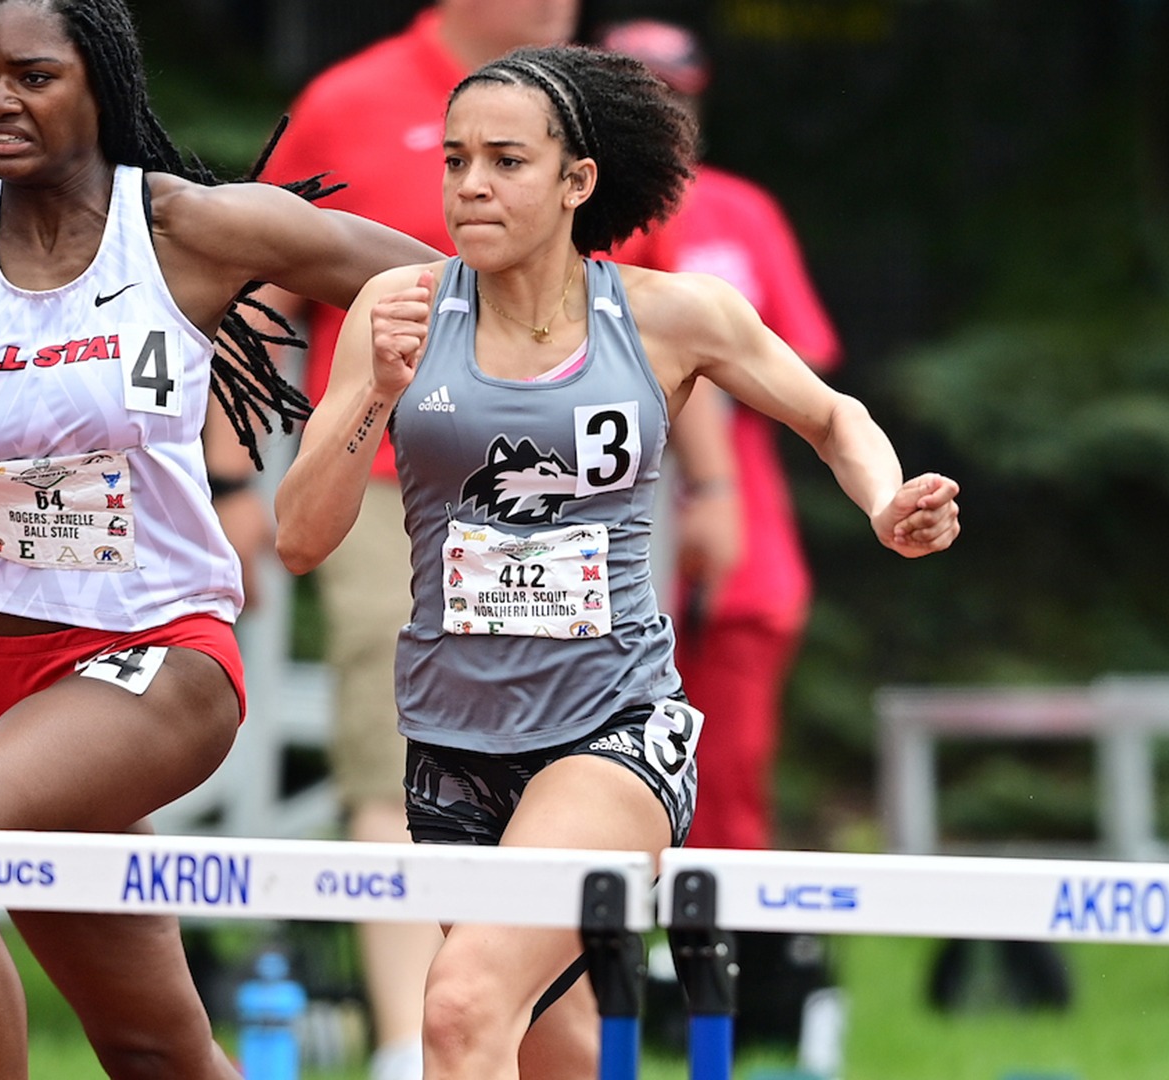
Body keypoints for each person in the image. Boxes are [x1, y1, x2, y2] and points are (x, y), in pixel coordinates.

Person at [274, 43, 960, 1079]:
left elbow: (832, 414)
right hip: (454, 750)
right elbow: (300, 537)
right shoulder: (399, 308)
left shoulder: (668, 316)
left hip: (613, 732)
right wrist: (376, 389)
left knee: (457, 1012)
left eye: (505, 160)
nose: (469, 184)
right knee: (552, 1048)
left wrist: (886, 498)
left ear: (576, 182)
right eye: (455, 159)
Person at [0, 1, 436, 1077]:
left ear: (102, 86)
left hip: (157, 656)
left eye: (32, 76)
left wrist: (386, 397)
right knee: (154, 1049)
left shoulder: (184, 226)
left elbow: (437, 287)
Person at [253, 7, 584, 1077]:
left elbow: (665, 303)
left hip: (563, 487)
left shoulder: (594, 100)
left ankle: (526, 1036)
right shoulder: (351, 98)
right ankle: (408, 1044)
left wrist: (710, 480)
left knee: (564, 757)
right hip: (393, 482)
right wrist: (224, 471)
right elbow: (253, 285)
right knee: (396, 751)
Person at [599, 18, 842, 852]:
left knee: (728, 772)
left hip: (731, 536)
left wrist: (715, 488)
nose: (662, 115)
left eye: (676, 97)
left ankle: (737, 972)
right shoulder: (556, 216)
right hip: (593, 541)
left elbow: (801, 369)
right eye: (640, 96)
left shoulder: (742, 212)